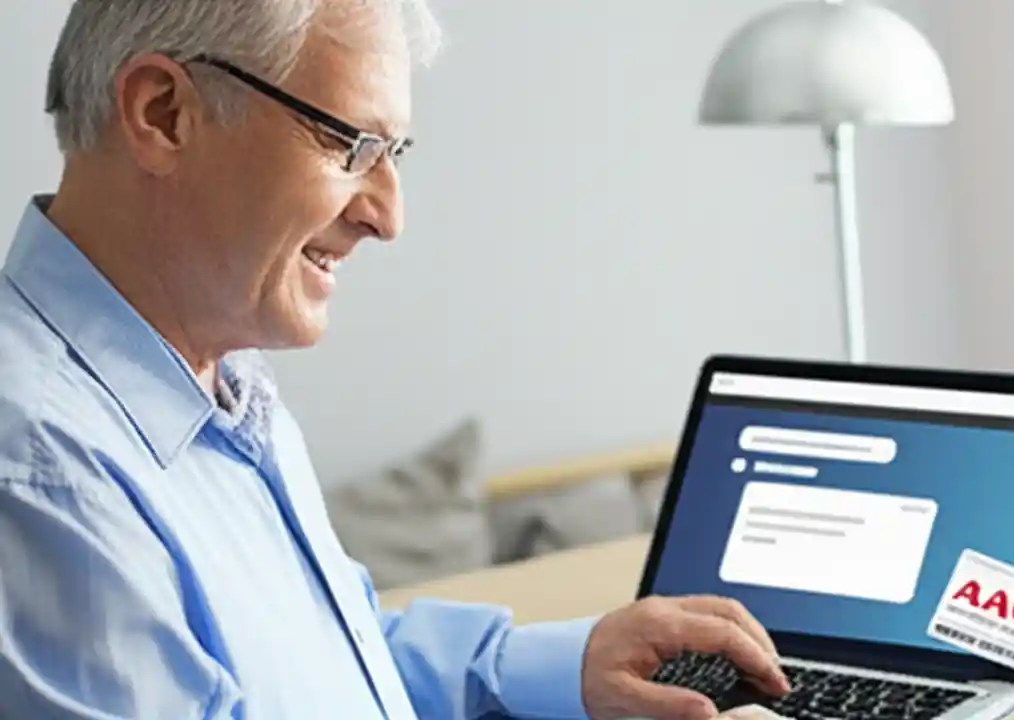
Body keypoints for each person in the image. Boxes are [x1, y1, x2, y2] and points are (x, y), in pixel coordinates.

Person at [0, 1, 791, 718]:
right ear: (164, 113)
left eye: (394, 152)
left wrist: (570, 667)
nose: (388, 215)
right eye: (351, 144)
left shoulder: (221, 382)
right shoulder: (42, 475)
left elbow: (320, 666)